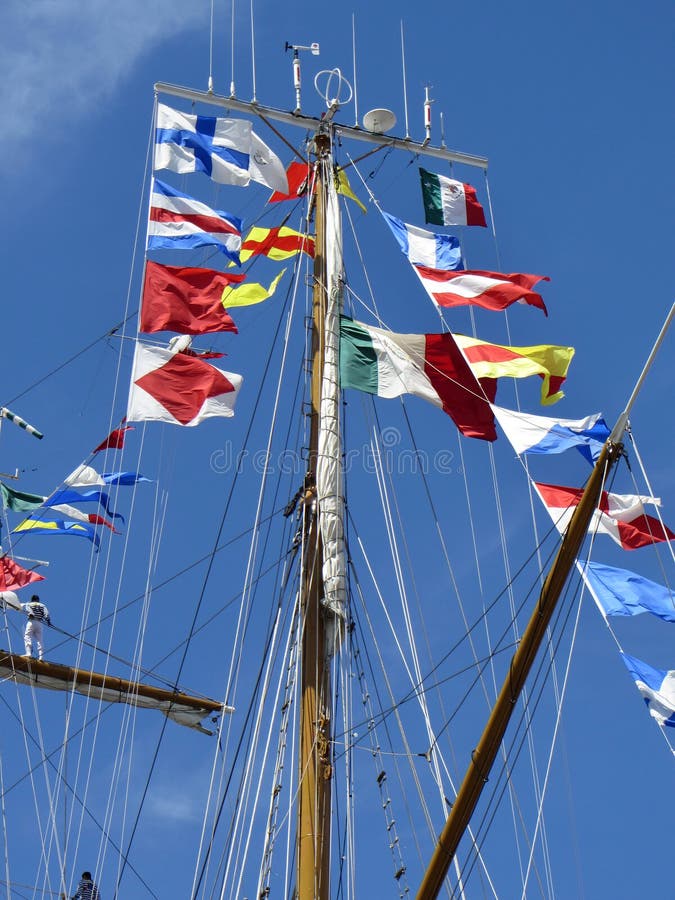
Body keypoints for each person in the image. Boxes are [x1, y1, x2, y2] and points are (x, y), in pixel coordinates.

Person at [20, 594, 51, 661]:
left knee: (27, 636)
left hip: (31, 621)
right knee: (40, 639)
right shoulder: (42, 605)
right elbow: (46, 613)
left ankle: (28, 653)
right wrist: (48, 620)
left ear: (32, 600)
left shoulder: (29, 604)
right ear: (38, 600)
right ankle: (41, 657)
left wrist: (31, 614)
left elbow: (26, 608)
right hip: (39, 623)